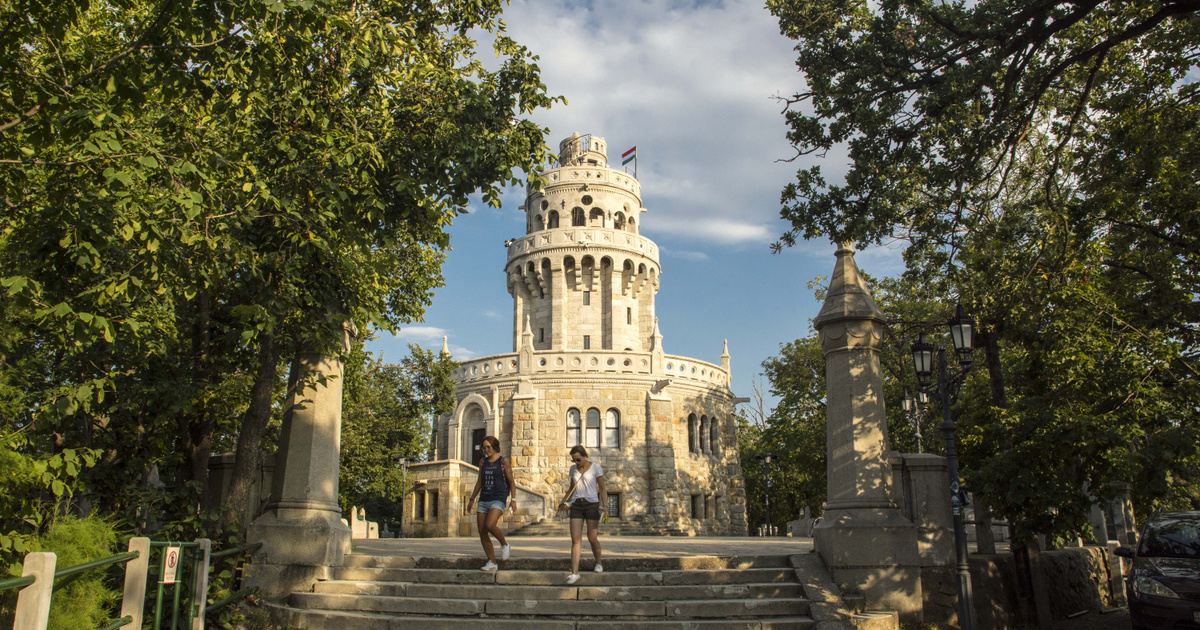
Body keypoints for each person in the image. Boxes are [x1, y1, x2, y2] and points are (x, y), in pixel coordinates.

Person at [558, 445, 607, 584]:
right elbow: (571, 489)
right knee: (575, 539)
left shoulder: (596, 467)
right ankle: (574, 573)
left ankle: (598, 562)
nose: (576, 463)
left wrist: (604, 505)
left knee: (592, 538)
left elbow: (602, 488)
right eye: (574, 460)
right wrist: (563, 501)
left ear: (584, 456)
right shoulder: (573, 469)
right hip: (577, 505)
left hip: (591, 504)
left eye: (578, 459)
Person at [466, 436, 516, 571]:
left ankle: (504, 544)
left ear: (495, 447)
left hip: (498, 498)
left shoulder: (503, 461)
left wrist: (513, 499)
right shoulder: (483, 462)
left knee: (490, 525)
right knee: (482, 532)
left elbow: (511, 481)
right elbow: (479, 482)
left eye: (489, 447)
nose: (486, 450)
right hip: (484, 499)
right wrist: (472, 499)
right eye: (484, 447)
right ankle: (492, 562)